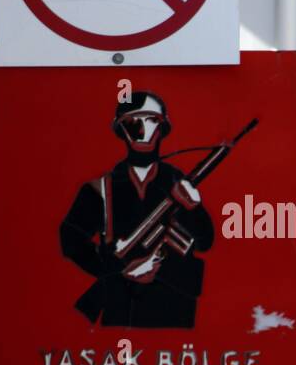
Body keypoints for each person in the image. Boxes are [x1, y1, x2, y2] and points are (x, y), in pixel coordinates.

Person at [59, 92, 214, 327]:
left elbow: (205, 242)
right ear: (122, 130)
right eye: (133, 122)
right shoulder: (101, 187)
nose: (143, 130)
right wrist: (118, 271)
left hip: (173, 309)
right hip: (121, 309)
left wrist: (194, 209)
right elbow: (70, 239)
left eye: (151, 120)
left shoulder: (178, 182)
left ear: (162, 128)